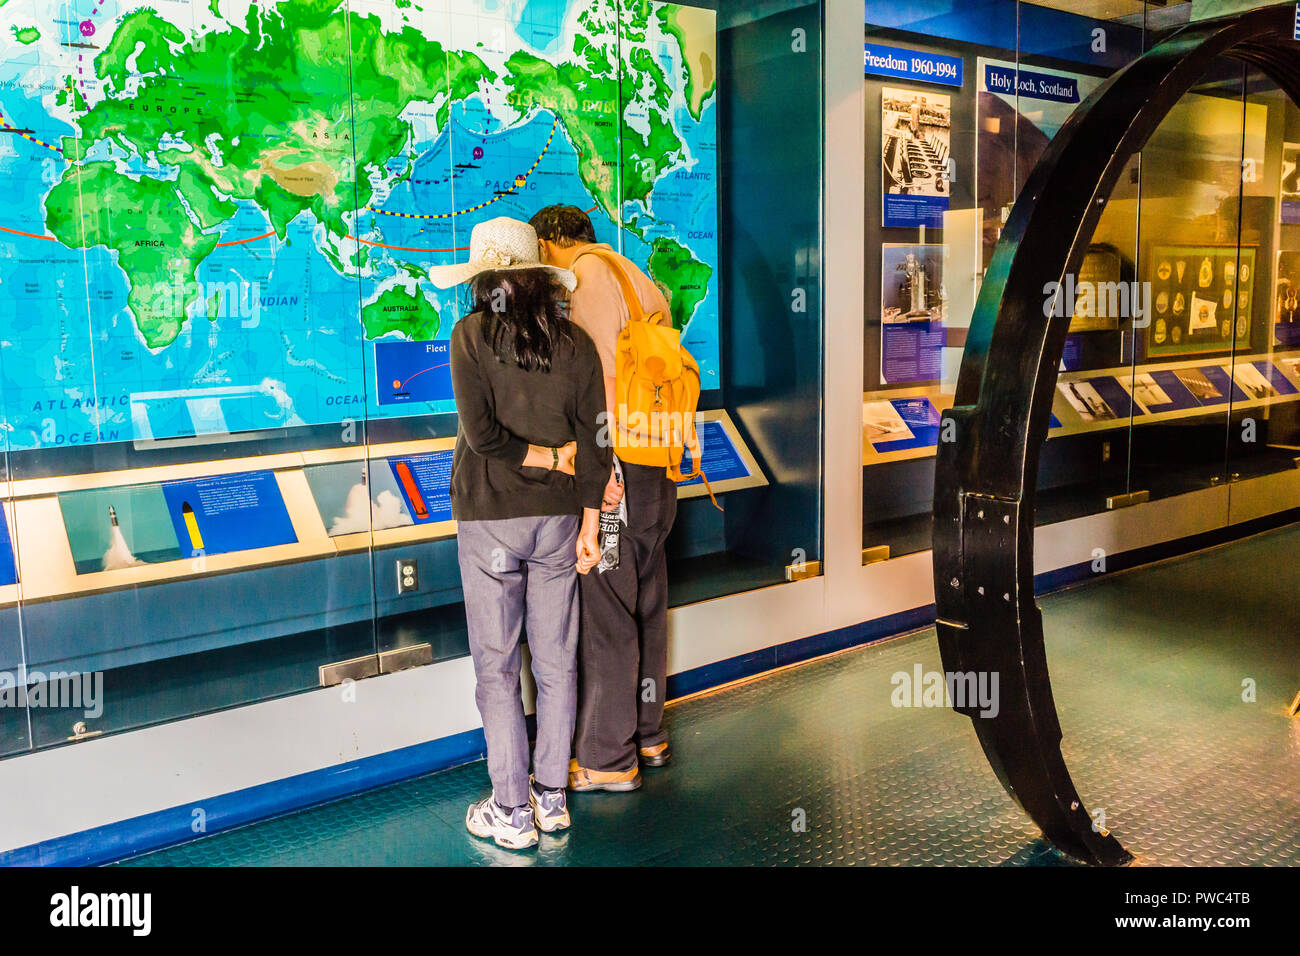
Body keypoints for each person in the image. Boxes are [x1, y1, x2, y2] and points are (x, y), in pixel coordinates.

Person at [432, 216, 610, 850]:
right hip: (560, 521)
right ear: (539, 279)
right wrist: (589, 519)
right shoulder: (577, 343)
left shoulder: (470, 337)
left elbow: (482, 439)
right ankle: (552, 800)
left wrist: (542, 458)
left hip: (490, 520)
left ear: (484, 282)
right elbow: (597, 442)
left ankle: (510, 810)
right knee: (558, 663)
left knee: (498, 668)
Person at [530, 204, 678, 793]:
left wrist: (600, 468)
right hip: (658, 467)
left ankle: (606, 759)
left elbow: (601, 386)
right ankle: (648, 734)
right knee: (646, 601)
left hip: (620, 471)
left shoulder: (588, 278)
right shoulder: (636, 275)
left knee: (608, 609)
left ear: (551, 243)